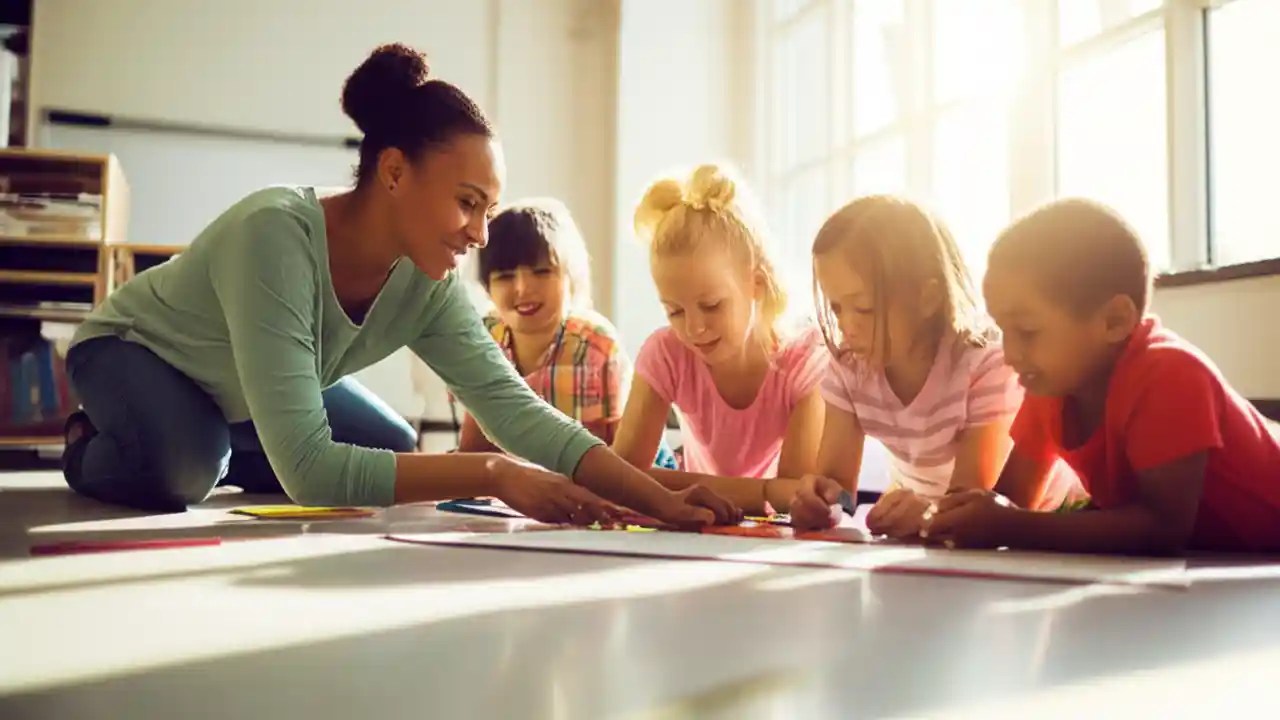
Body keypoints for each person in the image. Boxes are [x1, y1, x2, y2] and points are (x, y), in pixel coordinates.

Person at [60, 43, 736, 527]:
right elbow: (311, 473)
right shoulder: (274, 235)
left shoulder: (428, 281)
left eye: (488, 212)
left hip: (238, 387)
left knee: (388, 450)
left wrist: (659, 502)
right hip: (134, 352)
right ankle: (91, 446)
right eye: (467, 203)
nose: (480, 233)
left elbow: (513, 408)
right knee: (189, 470)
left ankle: (226, 437)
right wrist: (494, 475)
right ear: (392, 172)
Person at [919, 199, 1280, 554]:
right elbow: (1012, 498)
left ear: (1114, 321)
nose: (1009, 354)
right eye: (1003, 330)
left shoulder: (1170, 373)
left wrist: (1010, 525)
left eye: (1027, 331)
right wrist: (948, 517)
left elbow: (1163, 527)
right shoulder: (1051, 387)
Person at [790, 196, 1064, 538]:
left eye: (863, 308)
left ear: (928, 299)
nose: (847, 326)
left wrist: (926, 515)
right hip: (937, 521)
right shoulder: (850, 365)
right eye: (836, 308)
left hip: (1038, 517)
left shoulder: (982, 364)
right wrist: (820, 502)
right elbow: (841, 493)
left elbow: (974, 502)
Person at [611, 164, 827, 514]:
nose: (694, 329)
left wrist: (668, 485)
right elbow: (620, 480)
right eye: (674, 312)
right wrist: (767, 492)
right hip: (697, 521)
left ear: (756, 283)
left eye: (711, 306)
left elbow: (795, 498)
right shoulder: (666, 352)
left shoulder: (805, 357)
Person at [456, 198, 676, 467]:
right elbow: (473, 451)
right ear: (487, 286)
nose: (523, 288)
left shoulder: (596, 346)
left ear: (570, 279)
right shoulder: (484, 337)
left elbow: (627, 460)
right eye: (505, 276)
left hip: (620, 472)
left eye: (541, 272)